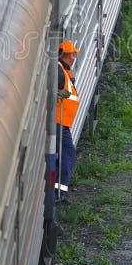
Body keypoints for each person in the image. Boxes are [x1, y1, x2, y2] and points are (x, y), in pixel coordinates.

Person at [55, 40, 80, 202]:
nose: (73, 58)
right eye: (72, 54)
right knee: (67, 155)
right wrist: (58, 95)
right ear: (66, 55)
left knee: (64, 156)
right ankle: (59, 193)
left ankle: (58, 191)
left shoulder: (63, 70)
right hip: (57, 123)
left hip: (62, 123)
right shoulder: (58, 71)